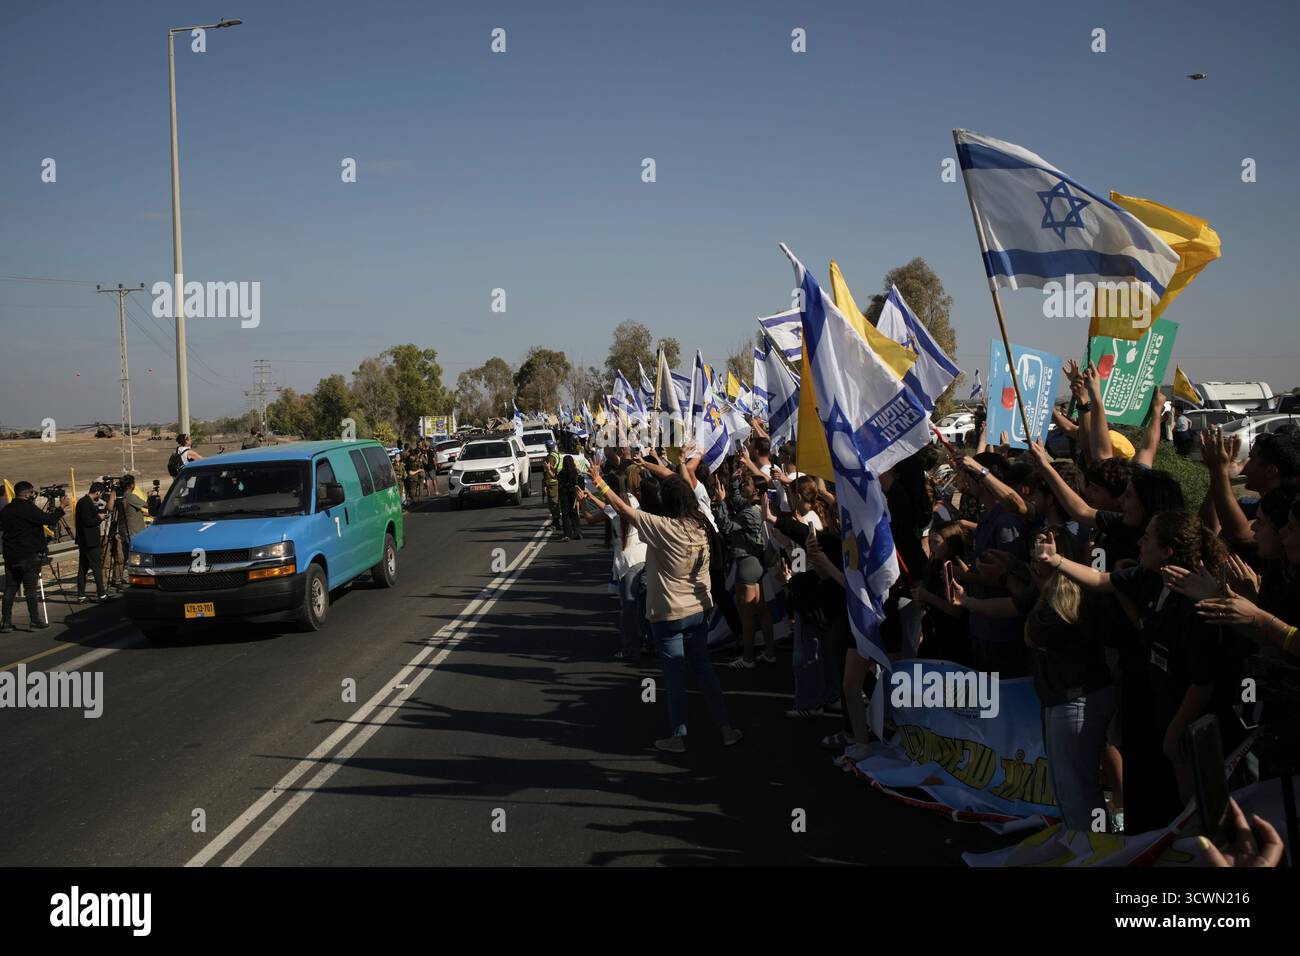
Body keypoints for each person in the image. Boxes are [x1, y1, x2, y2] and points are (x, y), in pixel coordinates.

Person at [1036, 511, 1228, 833]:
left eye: (1149, 537)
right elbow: (1102, 580)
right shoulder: (1151, 577)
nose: (1140, 540)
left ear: (1167, 551)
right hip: (1160, 708)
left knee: (1196, 807)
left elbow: (1203, 681)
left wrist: (1175, 729)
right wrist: (1055, 561)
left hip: (1190, 719)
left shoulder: (1195, 602)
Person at [593, 470, 742, 752]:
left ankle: (678, 736)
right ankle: (726, 729)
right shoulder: (702, 526)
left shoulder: (664, 528)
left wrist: (598, 483)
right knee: (704, 670)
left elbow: (624, 509)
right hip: (699, 610)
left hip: (669, 613)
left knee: (674, 677)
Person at [716, 472, 776, 669]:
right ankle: (769, 652)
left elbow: (726, 526)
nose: (744, 485)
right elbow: (739, 499)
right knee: (762, 610)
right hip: (756, 563)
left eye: (747, 483)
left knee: (747, 615)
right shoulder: (758, 508)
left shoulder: (750, 513)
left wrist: (721, 503)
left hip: (747, 564)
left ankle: (748, 658)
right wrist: (733, 482)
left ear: (756, 491)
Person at [1, 481, 68, 631]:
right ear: (26, 494)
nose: (33, 495)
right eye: (31, 492)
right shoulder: (28, 508)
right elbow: (49, 520)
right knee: (31, 589)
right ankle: (34, 620)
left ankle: (5, 622)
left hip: (11, 554)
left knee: (10, 588)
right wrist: (61, 507)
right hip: (28, 554)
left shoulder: (6, 510)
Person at [74, 482, 113, 603]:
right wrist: (99, 518)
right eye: (100, 494)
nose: (100, 496)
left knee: (83, 568)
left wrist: (99, 516)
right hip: (89, 541)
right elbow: (88, 522)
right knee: (96, 567)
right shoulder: (85, 503)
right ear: (97, 492)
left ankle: (81, 595)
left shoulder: (84, 502)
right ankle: (101, 594)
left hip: (85, 540)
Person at [109, 476, 149, 589]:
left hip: (124, 530)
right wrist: (150, 497)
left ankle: (117, 578)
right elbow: (147, 505)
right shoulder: (130, 497)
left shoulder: (121, 498)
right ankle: (135, 577)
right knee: (135, 557)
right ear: (131, 485)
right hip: (133, 532)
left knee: (123, 556)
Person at [558, 455, 582, 540]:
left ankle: (567, 534)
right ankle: (577, 531)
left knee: (565, 514)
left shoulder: (562, 473)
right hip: (573, 494)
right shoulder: (576, 472)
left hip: (564, 495)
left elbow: (559, 484)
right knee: (574, 513)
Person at [543, 440, 563, 529]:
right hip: (557, 481)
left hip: (552, 483)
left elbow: (548, 471)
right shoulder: (558, 455)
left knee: (553, 503)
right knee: (556, 502)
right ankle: (556, 522)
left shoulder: (550, 457)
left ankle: (556, 522)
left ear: (547, 447)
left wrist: (545, 485)